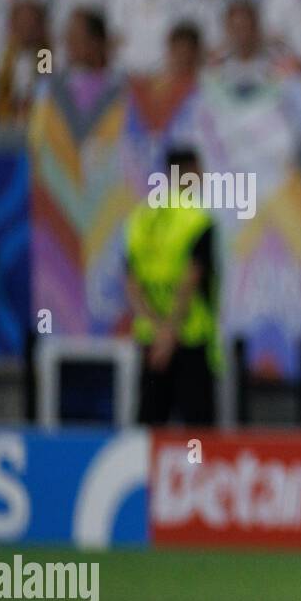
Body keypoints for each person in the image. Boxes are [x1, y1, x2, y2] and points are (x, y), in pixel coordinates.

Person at [124, 147, 220, 426]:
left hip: (150, 341)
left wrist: (156, 331)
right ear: (190, 172)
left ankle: (147, 472)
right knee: (198, 432)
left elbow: (131, 283)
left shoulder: (140, 218)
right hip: (189, 337)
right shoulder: (196, 220)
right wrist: (170, 334)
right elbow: (190, 280)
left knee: (150, 427)